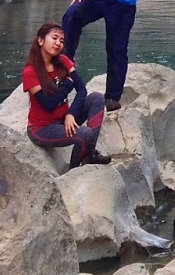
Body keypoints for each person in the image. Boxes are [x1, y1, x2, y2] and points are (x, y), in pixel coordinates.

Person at [22, 22, 112, 168]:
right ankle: (73, 171)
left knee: (96, 98)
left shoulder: (63, 61)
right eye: (54, 38)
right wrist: (67, 86)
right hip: (42, 129)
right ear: (41, 40)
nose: (58, 43)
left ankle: (89, 155)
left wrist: (71, 114)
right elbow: (48, 104)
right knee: (85, 133)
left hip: (63, 119)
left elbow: (82, 90)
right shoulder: (30, 72)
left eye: (61, 41)